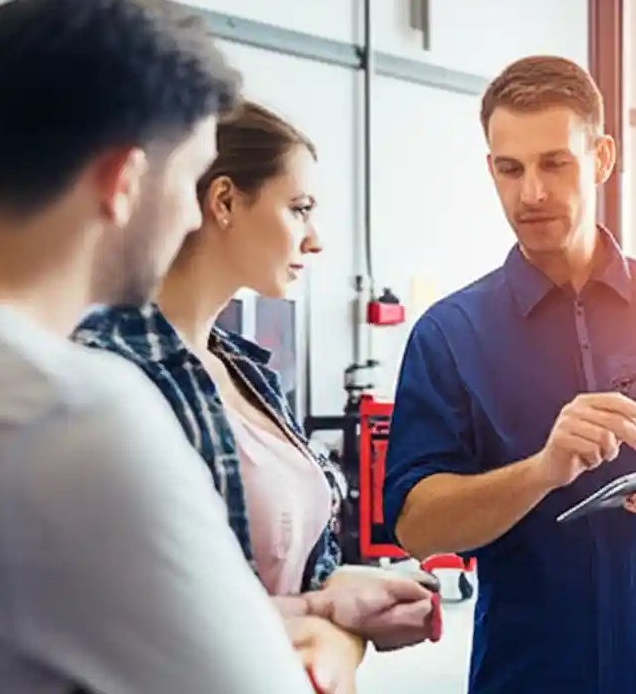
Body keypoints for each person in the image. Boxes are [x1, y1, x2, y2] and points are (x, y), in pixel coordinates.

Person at [0, 0, 346, 692]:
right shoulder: (75, 414)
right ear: (121, 181)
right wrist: (336, 636)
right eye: (190, 179)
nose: (188, 217)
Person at [382, 54, 636, 694]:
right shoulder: (449, 336)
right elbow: (416, 523)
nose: (531, 192)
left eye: (555, 163)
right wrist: (542, 471)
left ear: (600, 158)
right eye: (510, 169)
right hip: (529, 671)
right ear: (491, 169)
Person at [73, 101, 439, 655]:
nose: (315, 239)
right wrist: (322, 612)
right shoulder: (116, 371)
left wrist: (349, 595)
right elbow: (128, 614)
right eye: (299, 208)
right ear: (223, 201)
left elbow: (299, 569)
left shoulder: (247, 371)